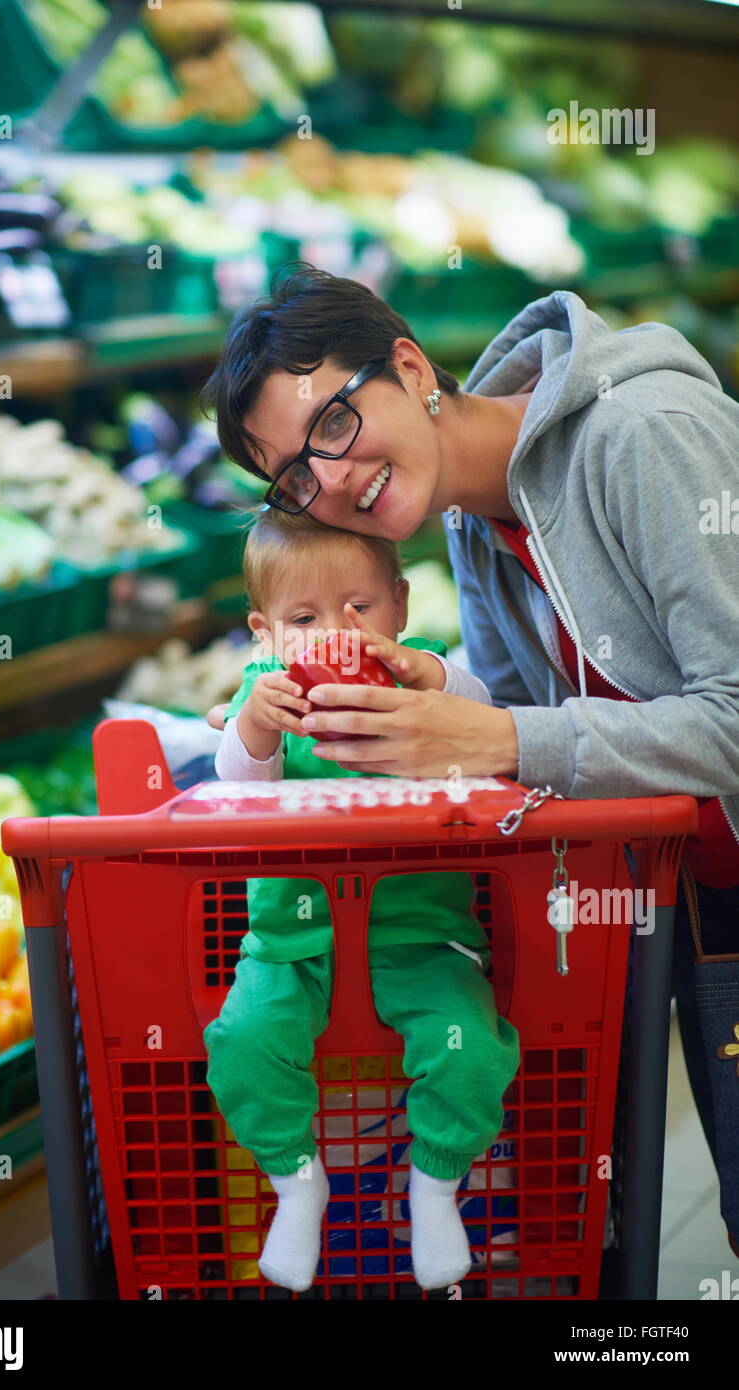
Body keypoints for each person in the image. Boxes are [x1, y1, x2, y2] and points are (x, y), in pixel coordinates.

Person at [200, 266, 739, 1253]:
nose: (326, 482)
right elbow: (540, 723)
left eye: (332, 425)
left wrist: (492, 738)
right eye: (291, 476)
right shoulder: (466, 520)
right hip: (694, 886)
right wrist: (431, 692)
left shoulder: (641, 433)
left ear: (409, 367)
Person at [203, 506, 520, 1292]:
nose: (335, 631)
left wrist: (433, 678)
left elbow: (483, 713)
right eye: (303, 618)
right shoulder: (265, 693)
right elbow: (234, 789)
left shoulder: (419, 673)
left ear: (401, 610)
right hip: (292, 943)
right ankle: (294, 1180)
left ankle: (435, 1184)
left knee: (470, 1044)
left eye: (360, 608)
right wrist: (253, 726)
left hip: (420, 935)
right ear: (265, 633)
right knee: (241, 1041)